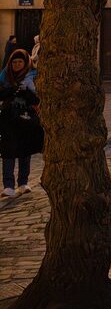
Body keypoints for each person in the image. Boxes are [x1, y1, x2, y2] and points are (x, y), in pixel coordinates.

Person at [0, 48, 42, 197]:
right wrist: (12, 90)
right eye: (14, 62)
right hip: (8, 120)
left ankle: (23, 183)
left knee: (25, 151)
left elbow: (37, 99)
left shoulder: (33, 77)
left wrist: (25, 92)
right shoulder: (4, 77)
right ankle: (8, 186)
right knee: (8, 152)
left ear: (25, 63)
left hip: (26, 120)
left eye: (20, 62)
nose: (17, 65)